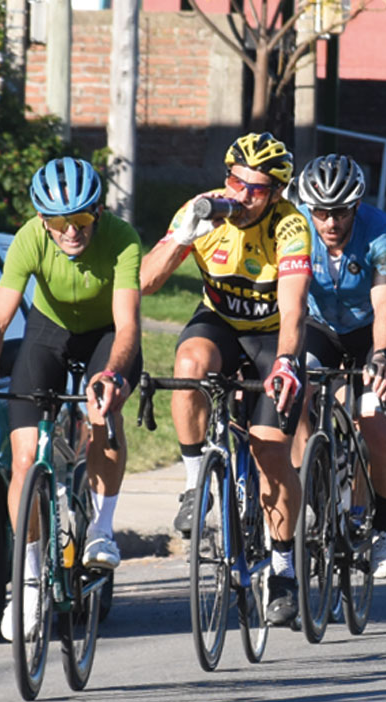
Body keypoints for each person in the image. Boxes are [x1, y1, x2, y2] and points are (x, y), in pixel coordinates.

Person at [140, 132, 311, 626]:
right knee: (190, 362)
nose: (242, 195)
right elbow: (147, 283)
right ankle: (197, 485)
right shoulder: (202, 212)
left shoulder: (290, 226)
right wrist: (182, 237)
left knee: (270, 451)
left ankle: (282, 568)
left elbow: (295, 307)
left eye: (256, 188)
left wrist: (285, 362)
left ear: (276, 193)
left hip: (273, 333)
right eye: (236, 181)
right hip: (220, 323)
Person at [0, 157, 141, 641]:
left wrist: (110, 374)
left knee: (102, 411)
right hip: (50, 332)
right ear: (42, 221)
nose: (71, 232)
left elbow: (128, 324)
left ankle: (102, 529)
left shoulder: (123, 239)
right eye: (58, 223)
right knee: (24, 459)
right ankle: (25, 580)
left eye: (82, 219)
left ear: (99, 212)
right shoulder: (29, 238)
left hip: (107, 334)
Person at [293, 154, 386, 580]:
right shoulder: (296, 230)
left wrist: (381, 356)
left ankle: (385, 523)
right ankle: (310, 492)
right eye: (320, 212)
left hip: (371, 331)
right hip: (317, 327)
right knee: (293, 396)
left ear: (356, 206)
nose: (329, 223)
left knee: (375, 421)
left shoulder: (383, 234)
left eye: (339, 212)